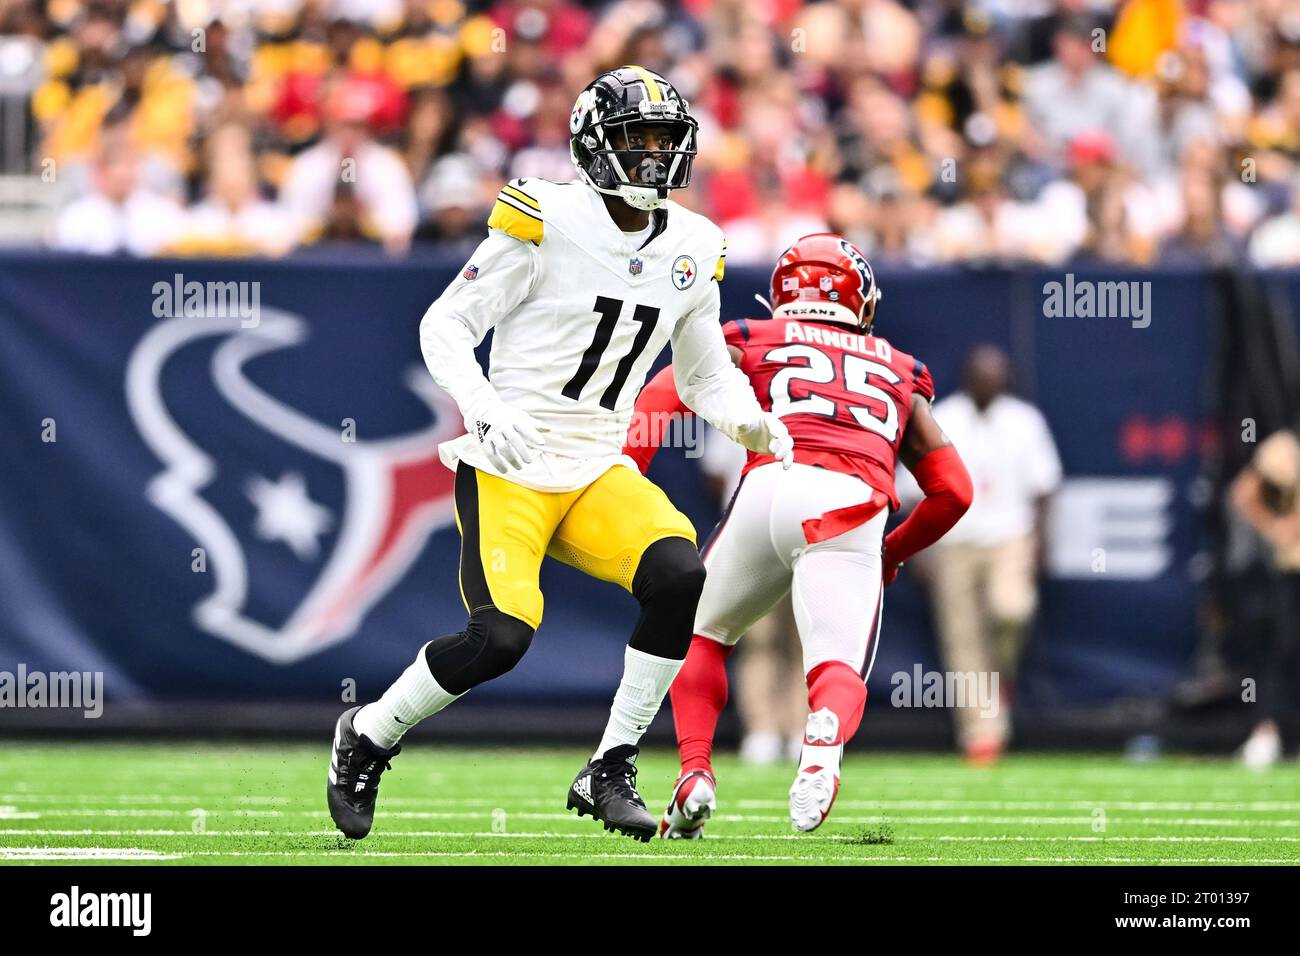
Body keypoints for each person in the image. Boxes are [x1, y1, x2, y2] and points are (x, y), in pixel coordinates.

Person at [326, 66, 792, 843]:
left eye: (663, 139)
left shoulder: (694, 242)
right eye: (635, 137)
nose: (651, 154)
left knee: (680, 575)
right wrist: (485, 407)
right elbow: (443, 327)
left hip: (597, 465)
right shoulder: (545, 213)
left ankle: (609, 765)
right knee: (501, 637)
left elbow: (705, 372)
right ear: (592, 142)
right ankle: (368, 734)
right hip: (510, 461)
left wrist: (748, 422)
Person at [626, 234, 972, 836]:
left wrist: (628, 470)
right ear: (860, 301)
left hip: (769, 486)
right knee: (837, 665)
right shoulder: (895, 365)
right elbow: (955, 491)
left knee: (699, 634)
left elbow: (666, 391)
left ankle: (694, 774)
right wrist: (893, 551)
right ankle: (823, 741)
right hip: (849, 502)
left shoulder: (755, 336)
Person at [923, 345, 1062, 764]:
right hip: (953, 539)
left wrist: (1039, 542)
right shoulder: (941, 418)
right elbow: (917, 491)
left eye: (997, 373)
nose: (991, 381)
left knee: (1011, 609)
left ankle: (999, 681)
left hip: (1008, 537)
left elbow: (1042, 490)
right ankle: (982, 732)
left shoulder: (1025, 421)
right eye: (983, 374)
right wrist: (920, 547)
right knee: (961, 637)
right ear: (967, 377)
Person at [1229, 426, 1300, 767]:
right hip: (1283, 576)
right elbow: (1243, 493)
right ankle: (1267, 731)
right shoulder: (1282, 448)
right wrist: (1278, 530)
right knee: (1280, 649)